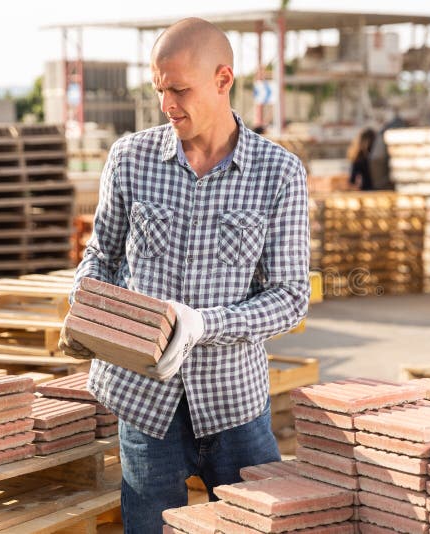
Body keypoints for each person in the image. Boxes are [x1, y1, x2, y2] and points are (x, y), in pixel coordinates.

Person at [59, 17, 310, 534]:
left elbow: (290, 297)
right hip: (144, 404)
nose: (167, 104)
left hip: (233, 406)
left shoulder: (278, 173)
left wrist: (201, 323)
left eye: (179, 89)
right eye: (159, 89)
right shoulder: (130, 159)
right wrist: (85, 306)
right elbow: (100, 256)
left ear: (223, 80)